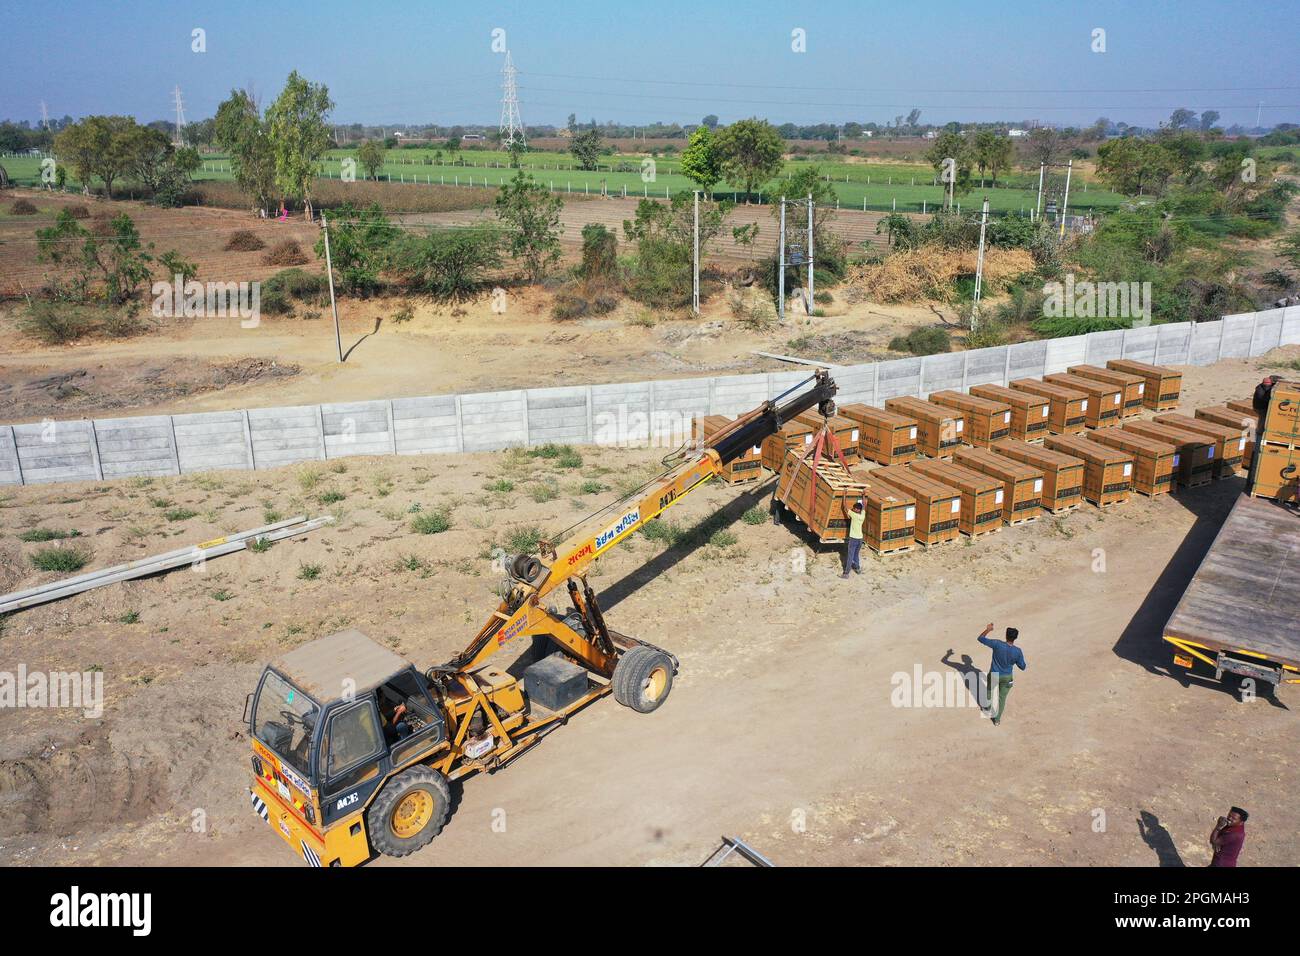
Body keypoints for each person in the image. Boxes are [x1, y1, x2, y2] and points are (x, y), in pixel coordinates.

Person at [976, 622, 1026, 725]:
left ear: (1006, 635)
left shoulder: (997, 644)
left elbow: (980, 638)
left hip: (994, 674)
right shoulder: (1018, 651)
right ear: (1015, 638)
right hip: (1007, 677)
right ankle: (997, 720)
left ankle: (987, 708)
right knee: (1002, 698)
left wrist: (988, 630)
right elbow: (1022, 667)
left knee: (989, 690)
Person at [840, 498, 865, 578]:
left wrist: (844, 494)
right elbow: (864, 506)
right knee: (856, 555)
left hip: (853, 539)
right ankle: (857, 569)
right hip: (860, 539)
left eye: (854, 508)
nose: (853, 509)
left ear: (857, 510)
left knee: (850, 556)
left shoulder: (854, 515)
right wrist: (863, 495)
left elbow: (844, 507)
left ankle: (846, 573)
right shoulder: (863, 514)